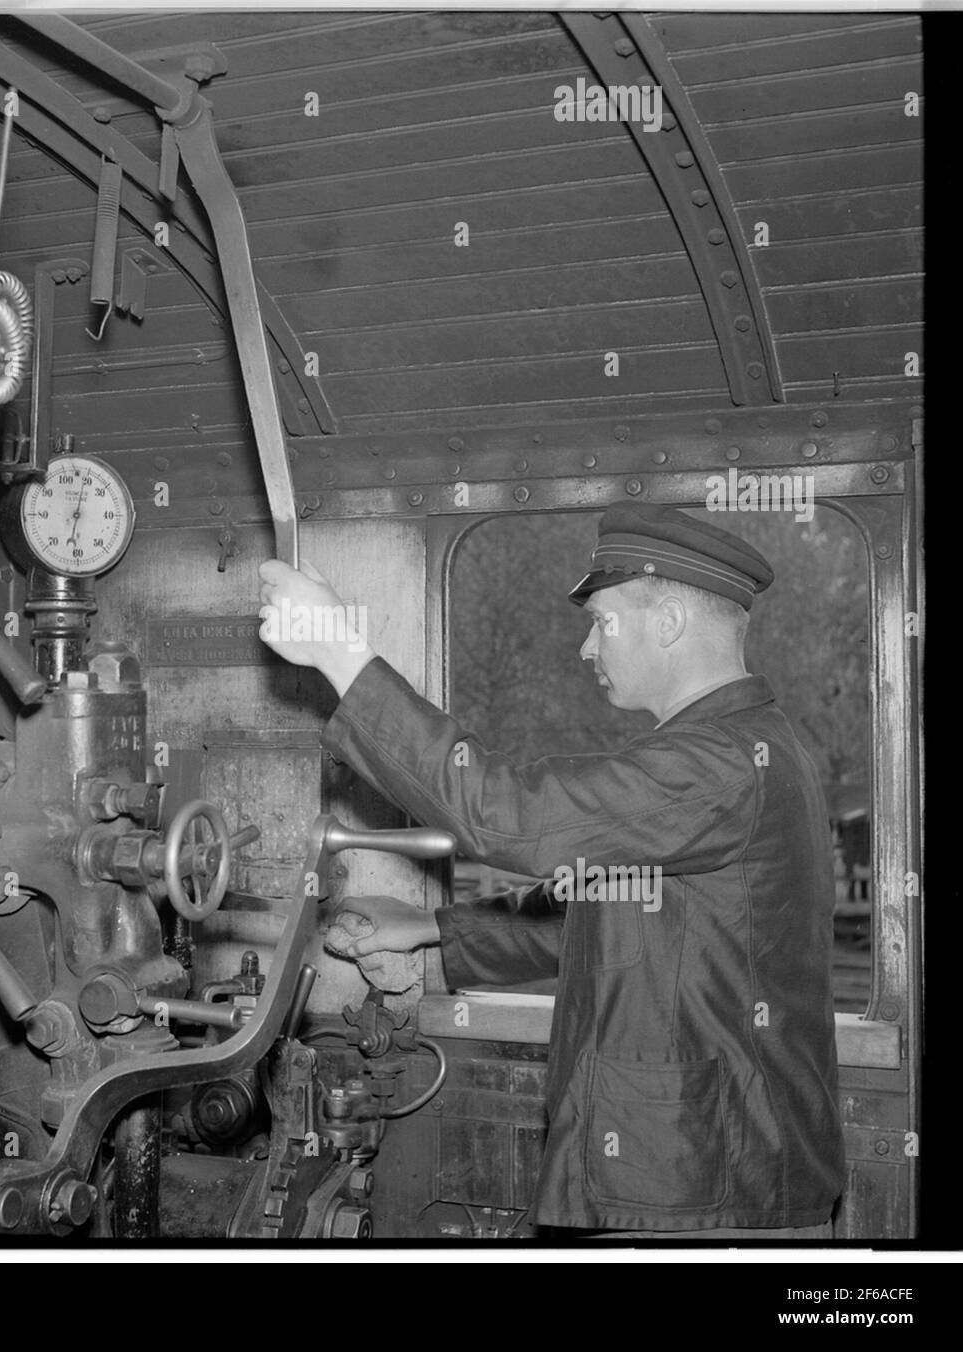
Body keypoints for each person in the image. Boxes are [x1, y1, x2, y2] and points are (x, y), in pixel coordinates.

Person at [257, 502, 844, 1237]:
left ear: (666, 623)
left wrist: (338, 652)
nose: (587, 649)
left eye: (602, 622)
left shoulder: (720, 765)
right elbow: (611, 917)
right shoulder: (737, 748)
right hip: (693, 1176)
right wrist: (434, 936)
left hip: (702, 1186)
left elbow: (511, 817)